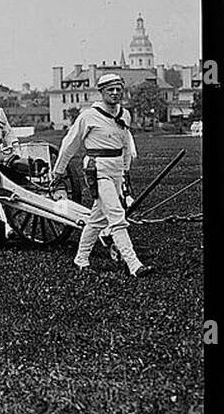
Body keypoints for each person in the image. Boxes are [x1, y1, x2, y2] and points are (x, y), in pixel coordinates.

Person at [52, 73, 153, 277]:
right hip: (97, 168)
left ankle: (81, 258)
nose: (115, 93)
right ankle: (133, 264)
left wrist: (125, 174)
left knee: (97, 218)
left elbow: (125, 144)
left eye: (118, 89)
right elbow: (69, 145)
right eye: (110, 90)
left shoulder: (124, 115)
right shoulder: (88, 116)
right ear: (101, 92)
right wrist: (58, 172)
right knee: (116, 216)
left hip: (116, 168)